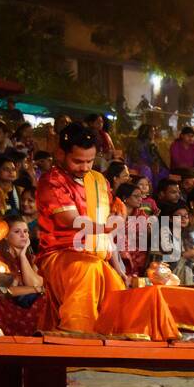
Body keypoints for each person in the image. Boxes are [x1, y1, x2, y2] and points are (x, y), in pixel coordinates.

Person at [34, 123, 125, 332]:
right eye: (78, 161)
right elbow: (69, 220)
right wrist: (105, 228)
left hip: (96, 255)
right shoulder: (52, 180)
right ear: (60, 154)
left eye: (90, 161)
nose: (84, 167)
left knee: (118, 289)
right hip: (59, 254)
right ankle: (78, 332)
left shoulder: (98, 181)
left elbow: (109, 223)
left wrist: (118, 266)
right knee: (88, 269)